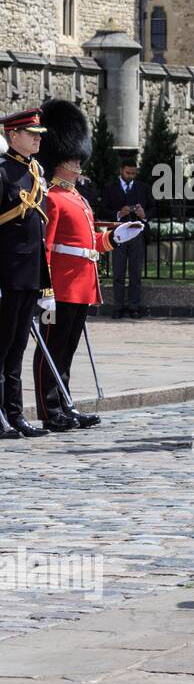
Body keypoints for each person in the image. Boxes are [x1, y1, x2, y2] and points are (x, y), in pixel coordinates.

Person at [33, 100, 143, 431]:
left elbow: (88, 245)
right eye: (71, 158)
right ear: (57, 161)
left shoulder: (77, 198)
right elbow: (46, 247)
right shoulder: (51, 197)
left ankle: (64, 403)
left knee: (66, 351)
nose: (77, 162)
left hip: (80, 288)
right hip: (60, 287)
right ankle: (48, 410)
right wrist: (45, 287)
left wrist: (115, 238)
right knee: (51, 349)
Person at [0, 108, 53, 440]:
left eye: (39, 134)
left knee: (17, 347)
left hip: (30, 274)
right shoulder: (3, 172)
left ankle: (15, 414)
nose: (37, 137)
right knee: (1, 348)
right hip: (6, 274)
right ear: (12, 135)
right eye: (31, 133)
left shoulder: (35, 171)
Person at [100, 148, 149, 318]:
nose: (131, 176)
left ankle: (134, 307)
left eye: (134, 174)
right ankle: (118, 307)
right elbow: (103, 210)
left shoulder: (143, 188)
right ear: (121, 171)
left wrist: (144, 215)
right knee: (118, 273)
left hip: (136, 234)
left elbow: (154, 209)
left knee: (136, 273)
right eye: (128, 173)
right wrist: (119, 213)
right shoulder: (110, 188)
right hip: (117, 235)